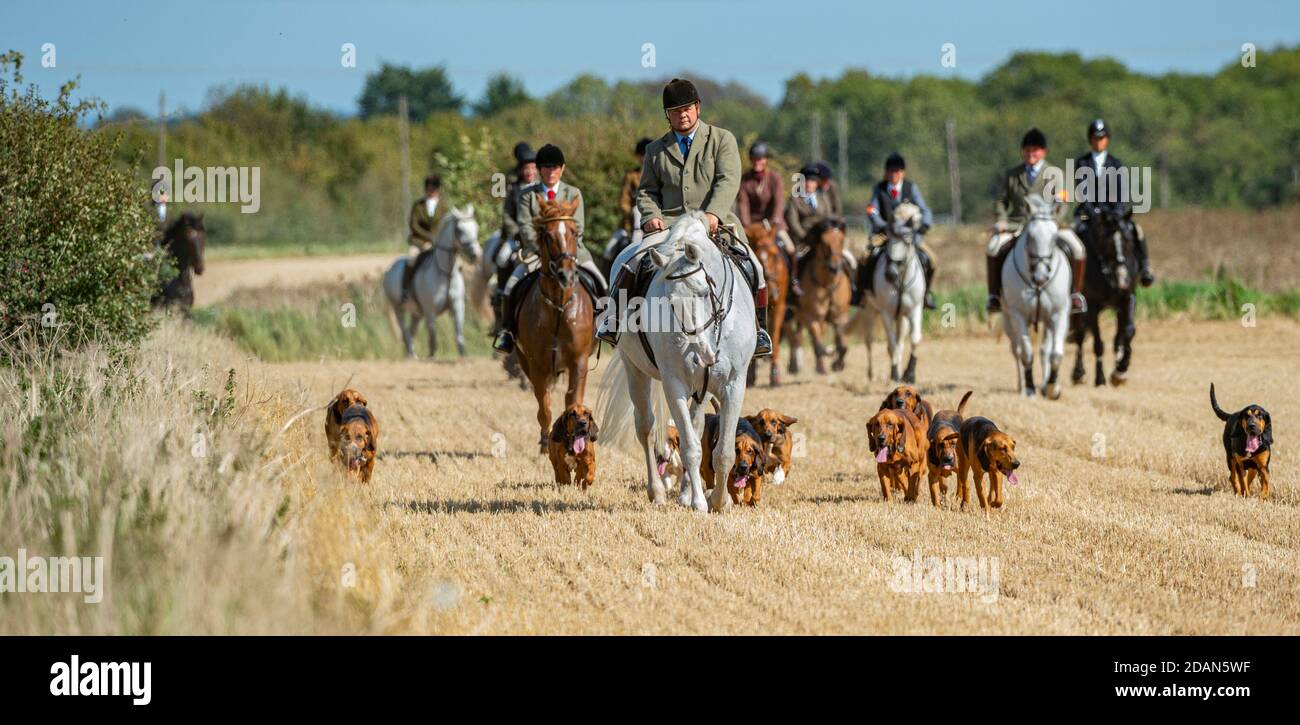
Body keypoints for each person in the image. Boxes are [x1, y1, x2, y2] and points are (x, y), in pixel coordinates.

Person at [597, 78, 772, 357]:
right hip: (669, 227)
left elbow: (728, 180)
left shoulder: (721, 139)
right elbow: (646, 192)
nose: (683, 114)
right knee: (630, 264)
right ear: (667, 115)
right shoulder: (655, 150)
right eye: (676, 111)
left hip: (716, 223)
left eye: (687, 108)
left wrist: (713, 212)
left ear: (698, 107)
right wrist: (651, 215)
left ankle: (760, 330)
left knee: (755, 267)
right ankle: (615, 322)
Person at [493, 143, 607, 354]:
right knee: (510, 287)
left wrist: (564, 249)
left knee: (600, 282)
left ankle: (606, 326)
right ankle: (507, 332)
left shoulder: (573, 193)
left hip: (572, 253)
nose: (550, 172)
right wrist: (542, 250)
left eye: (555, 167)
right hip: (536, 254)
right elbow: (525, 227)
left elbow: (579, 226)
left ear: (562, 169)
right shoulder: (527, 194)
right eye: (546, 167)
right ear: (538, 169)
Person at [986, 128, 1087, 314]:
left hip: (1048, 226)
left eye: (1035, 150)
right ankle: (994, 296)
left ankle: (1075, 295)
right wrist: (1001, 220)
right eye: (1027, 150)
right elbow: (1000, 201)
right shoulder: (1012, 175)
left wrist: (1053, 222)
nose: (1031, 153)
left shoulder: (1055, 174)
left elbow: (1063, 202)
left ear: (1043, 152)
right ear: (1022, 152)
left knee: (1078, 248)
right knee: (993, 247)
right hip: (1017, 225)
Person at [1071, 118, 1154, 286]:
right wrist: (1092, 211)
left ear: (1107, 139)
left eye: (1101, 138)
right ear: (1090, 140)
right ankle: (1071, 279)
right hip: (1088, 214)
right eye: (1095, 138)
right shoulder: (1082, 163)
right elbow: (1082, 191)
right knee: (1071, 235)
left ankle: (1145, 268)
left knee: (1136, 230)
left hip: (1112, 215)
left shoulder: (1115, 164)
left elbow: (1121, 192)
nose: (1098, 141)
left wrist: (1117, 211)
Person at [863, 153, 937, 309]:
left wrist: (924, 225)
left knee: (932, 259)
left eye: (897, 171)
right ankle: (863, 293)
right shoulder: (879, 189)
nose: (893, 175)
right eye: (890, 171)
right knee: (865, 257)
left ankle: (926, 294)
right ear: (886, 172)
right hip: (885, 234)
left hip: (908, 237)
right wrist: (882, 225)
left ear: (903, 173)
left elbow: (925, 210)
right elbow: (871, 210)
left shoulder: (911, 188)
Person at [737, 140, 800, 294]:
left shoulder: (775, 178)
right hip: (752, 226)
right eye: (755, 158)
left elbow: (779, 202)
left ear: (766, 160)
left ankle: (793, 281)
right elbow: (743, 205)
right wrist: (746, 226)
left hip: (774, 224)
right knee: (737, 250)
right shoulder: (745, 180)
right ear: (751, 160)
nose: (758, 162)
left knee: (791, 248)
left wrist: (773, 223)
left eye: (761, 158)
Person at [403, 174, 447, 303]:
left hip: (439, 243)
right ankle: (406, 289)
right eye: (428, 187)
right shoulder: (418, 205)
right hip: (419, 241)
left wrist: (438, 238)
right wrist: (429, 237)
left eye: (433, 188)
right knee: (411, 258)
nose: (430, 190)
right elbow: (413, 224)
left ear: (438, 189)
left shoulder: (444, 206)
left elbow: (445, 224)